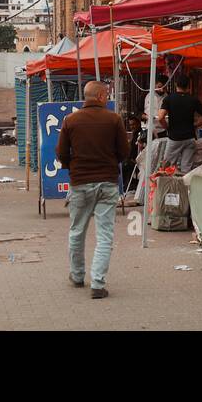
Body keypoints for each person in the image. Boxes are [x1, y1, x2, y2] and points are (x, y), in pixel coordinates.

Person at [56, 81, 128, 299]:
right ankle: (97, 284)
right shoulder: (114, 119)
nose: (107, 97)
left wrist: (73, 167)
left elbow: (61, 153)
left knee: (77, 231)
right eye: (106, 94)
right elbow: (124, 152)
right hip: (107, 183)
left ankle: (77, 276)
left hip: (80, 183)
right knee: (105, 235)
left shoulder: (70, 120)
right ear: (99, 96)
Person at [158, 74, 202, 173]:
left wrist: (167, 127)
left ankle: (167, 187)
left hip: (174, 138)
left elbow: (160, 117)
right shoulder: (193, 99)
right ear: (188, 86)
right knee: (186, 169)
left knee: (166, 167)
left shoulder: (169, 99)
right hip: (190, 138)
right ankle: (185, 187)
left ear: (176, 84)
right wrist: (196, 125)